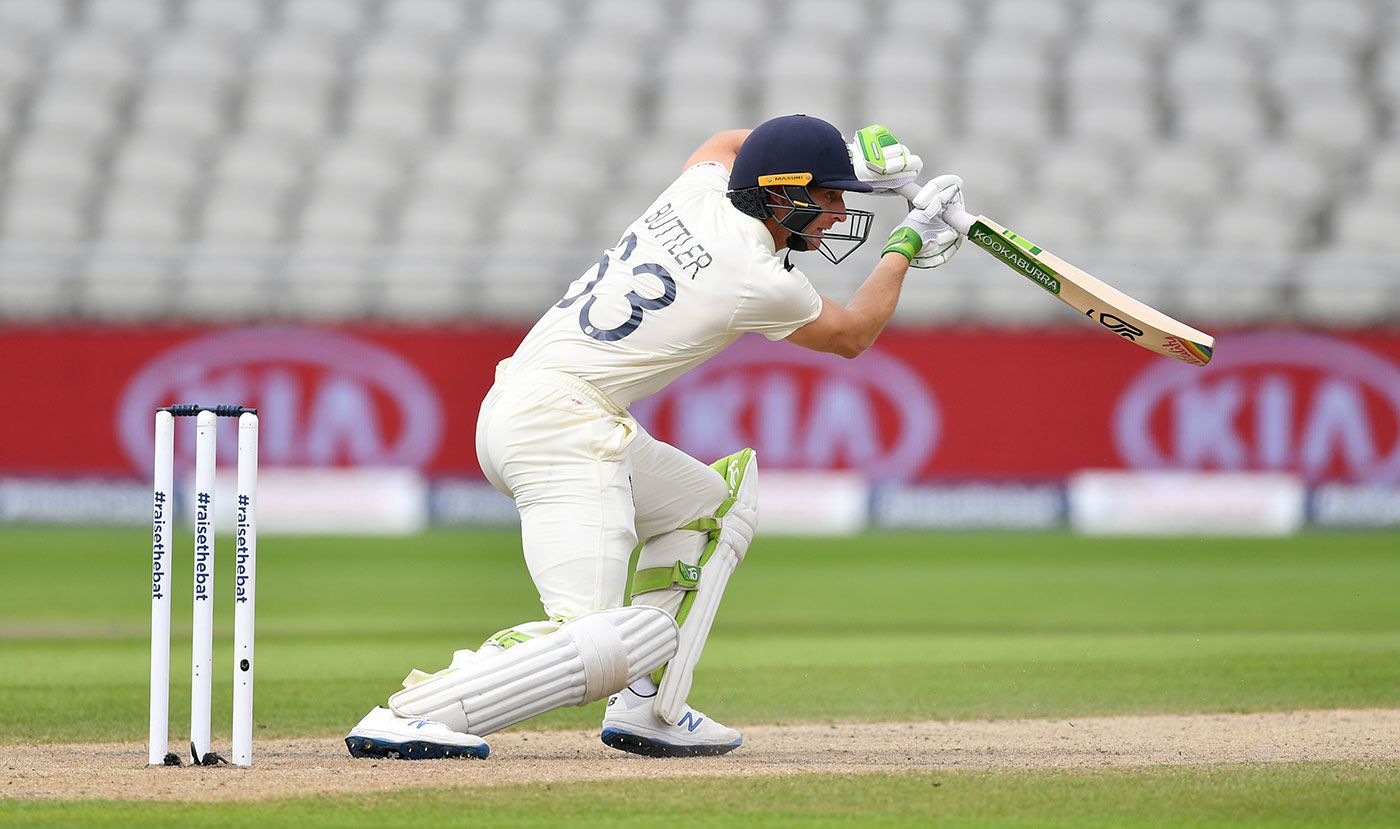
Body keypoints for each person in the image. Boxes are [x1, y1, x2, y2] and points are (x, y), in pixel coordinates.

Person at [344, 114, 965, 760]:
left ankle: (649, 706)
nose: (839, 213)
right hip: (563, 426)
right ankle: (414, 712)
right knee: (601, 638)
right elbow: (852, 333)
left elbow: (731, 143)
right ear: (784, 194)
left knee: (711, 505)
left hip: (540, 407)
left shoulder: (696, 192)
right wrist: (910, 239)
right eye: (831, 196)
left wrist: (845, 160)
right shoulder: (755, 274)